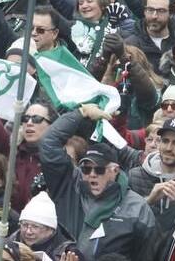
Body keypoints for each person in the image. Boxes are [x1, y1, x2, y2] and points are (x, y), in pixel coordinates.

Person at [39, 106, 157, 261]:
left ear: (115, 170)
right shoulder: (70, 186)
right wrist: (80, 113)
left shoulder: (137, 207)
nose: (92, 174)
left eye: (99, 170)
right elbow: (48, 144)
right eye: (86, 169)